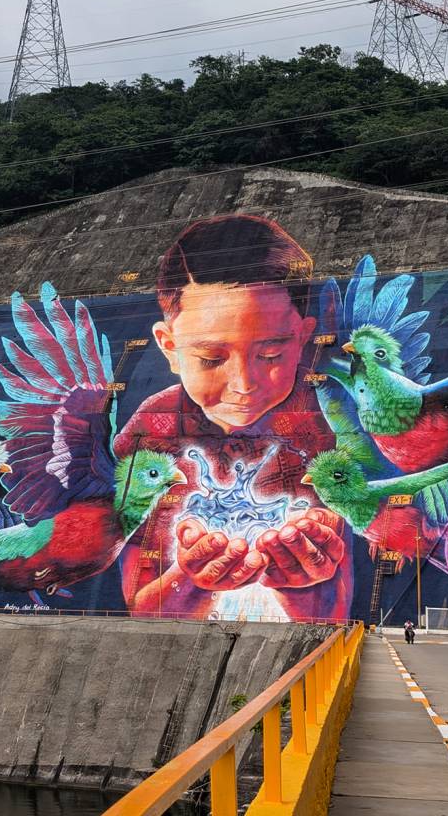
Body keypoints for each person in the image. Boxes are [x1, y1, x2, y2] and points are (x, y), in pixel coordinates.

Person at [112, 214, 351, 622]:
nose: (243, 384)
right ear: (168, 347)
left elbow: (337, 611)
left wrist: (304, 583)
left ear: (302, 337)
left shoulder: (331, 424)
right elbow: (141, 606)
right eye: (210, 358)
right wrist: (189, 579)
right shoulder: (151, 428)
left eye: (271, 356)